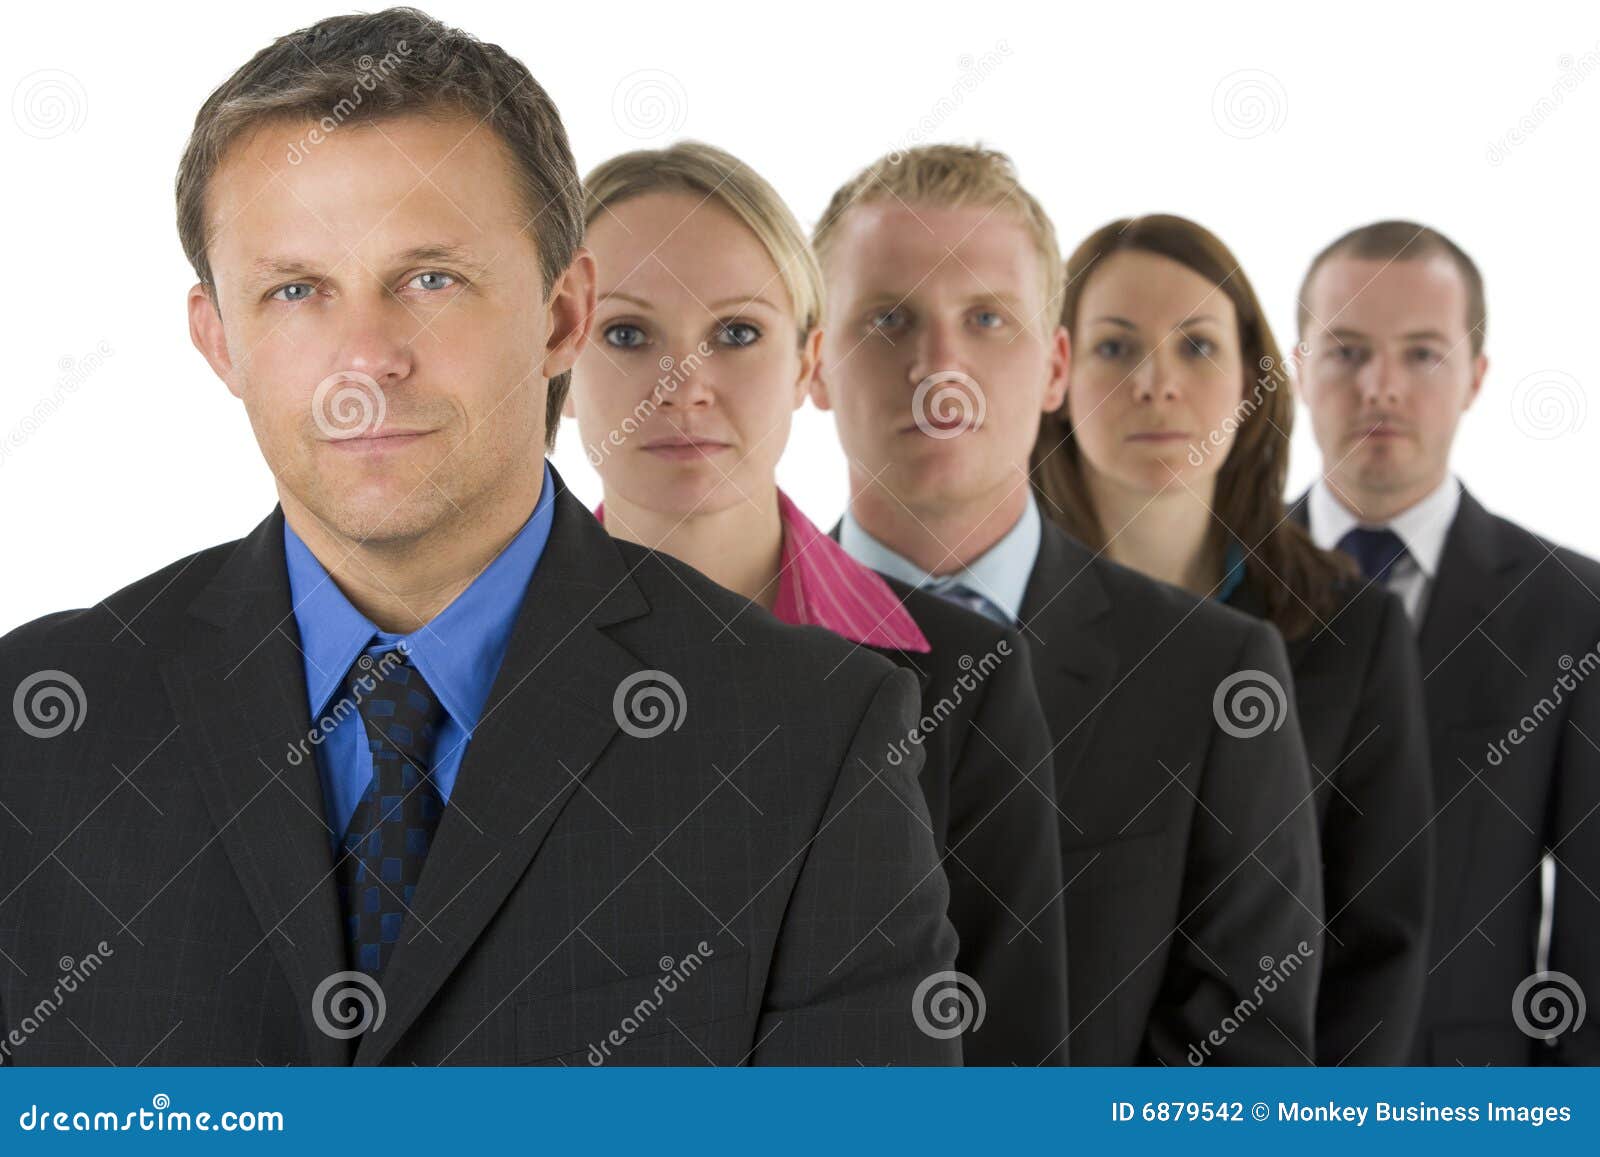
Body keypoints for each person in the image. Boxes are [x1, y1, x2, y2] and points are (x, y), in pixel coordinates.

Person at [0, 7, 959, 1066]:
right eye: (296, 291)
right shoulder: (41, 730)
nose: (366, 359)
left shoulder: (810, 735)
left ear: (560, 316)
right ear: (219, 340)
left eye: (429, 279)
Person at [811, 145, 1324, 1064]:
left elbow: (1248, 1063)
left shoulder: (1215, 676)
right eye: (889, 318)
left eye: (987, 319)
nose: (941, 367)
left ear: (1054, 369)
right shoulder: (722, 651)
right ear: (815, 362)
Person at [565, 141, 1069, 1065]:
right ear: (557, 356)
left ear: (809, 363)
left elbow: (1014, 1060)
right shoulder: (463, 659)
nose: (685, 386)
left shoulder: (967, 676)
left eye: (737, 333)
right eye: (628, 334)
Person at [1031, 213, 1433, 1064]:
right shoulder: (998, 620)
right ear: (1054, 372)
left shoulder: (1351, 631)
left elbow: (1377, 945)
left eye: (1197, 346)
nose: (1156, 382)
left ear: (1256, 375)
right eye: (1115, 347)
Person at [1292, 220, 1600, 1065]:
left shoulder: (1574, 612)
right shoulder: (1207, 588)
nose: (1381, 387)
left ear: (1476, 377)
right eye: (1346, 350)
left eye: (1423, 354)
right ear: (1296, 367)